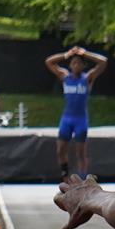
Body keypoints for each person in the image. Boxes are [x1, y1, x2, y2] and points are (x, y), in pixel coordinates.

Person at [45, 44, 107, 177]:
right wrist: (66, 54)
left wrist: (85, 53)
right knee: (61, 149)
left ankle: (83, 177)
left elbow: (103, 62)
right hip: (67, 118)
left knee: (80, 152)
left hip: (80, 119)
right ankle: (65, 174)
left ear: (83, 66)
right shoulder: (65, 77)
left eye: (79, 63)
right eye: (73, 63)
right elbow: (49, 62)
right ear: (70, 65)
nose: (76, 65)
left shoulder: (87, 78)